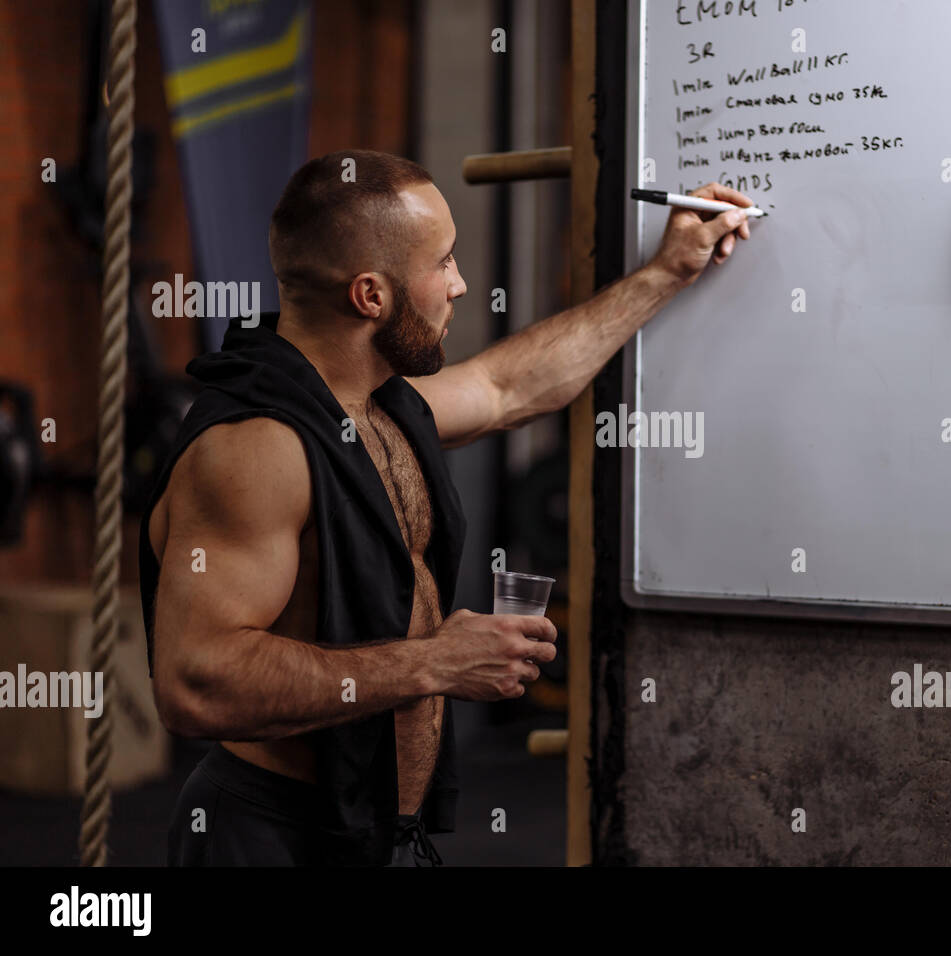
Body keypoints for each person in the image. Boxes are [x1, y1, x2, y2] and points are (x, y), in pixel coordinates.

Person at [140, 149, 755, 866]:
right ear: (371, 295)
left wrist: (667, 272)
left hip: (379, 833)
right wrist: (434, 663)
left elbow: (507, 387)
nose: (461, 284)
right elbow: (195, 683)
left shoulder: (374, 407)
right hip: (271, 839)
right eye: (444, 262)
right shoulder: (255, 448)